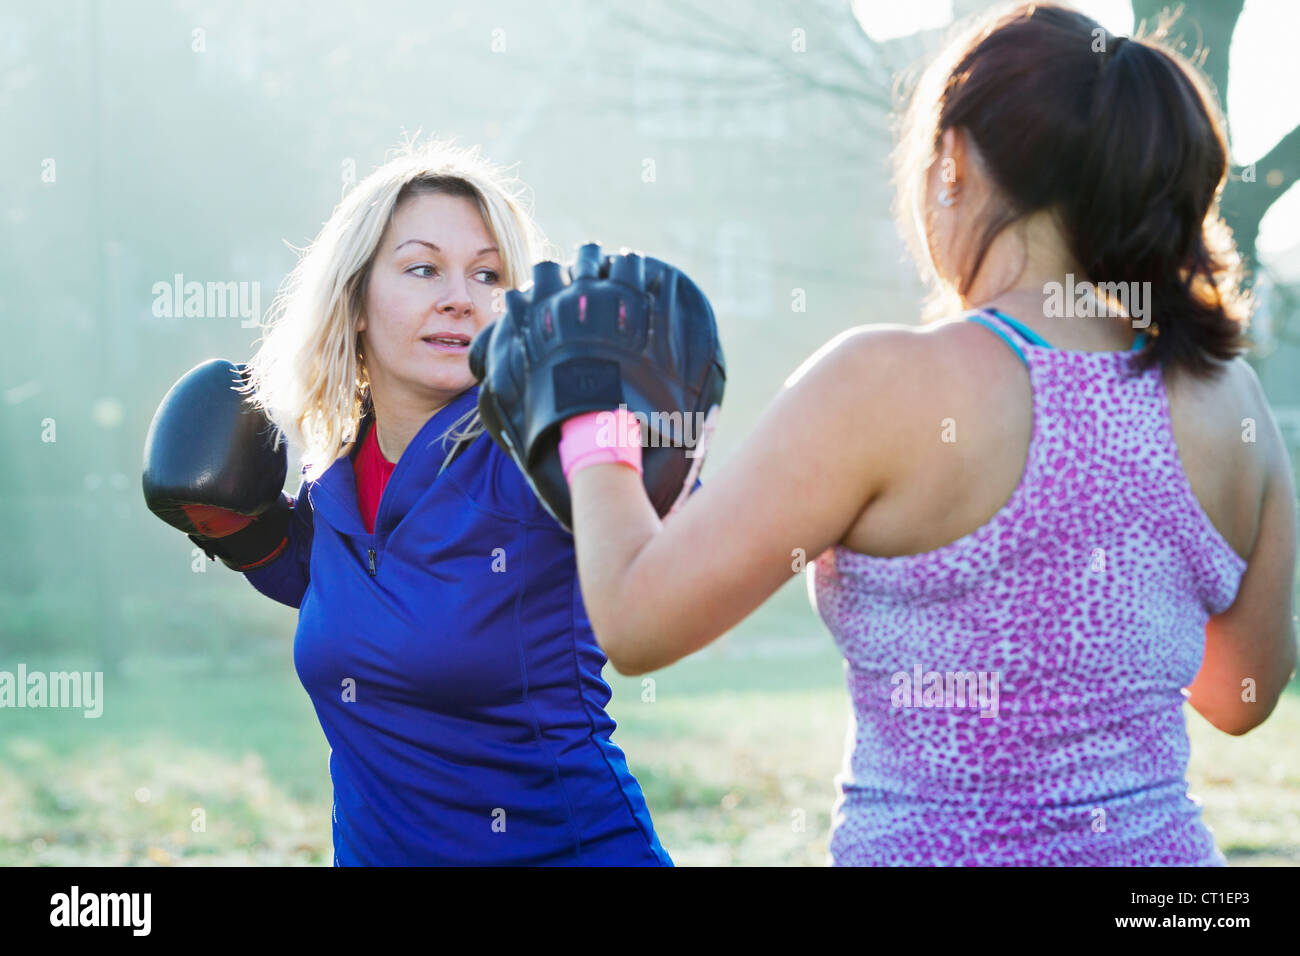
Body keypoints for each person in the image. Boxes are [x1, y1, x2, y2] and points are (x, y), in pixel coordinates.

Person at [480, 4, 1299, 865]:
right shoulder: (1230, 396)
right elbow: (1240, 696)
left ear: (952, 163)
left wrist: (587, 408)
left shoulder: (883, 384)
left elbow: (639, 623)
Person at [143, 140, 672, 866]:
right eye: (423, 268)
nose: (460, 295)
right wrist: (240, 534)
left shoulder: (534, 453)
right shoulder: (338, 475)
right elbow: (329, 582)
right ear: (355, 301)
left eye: (488, 274)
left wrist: (644, 426)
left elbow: (673, 540)